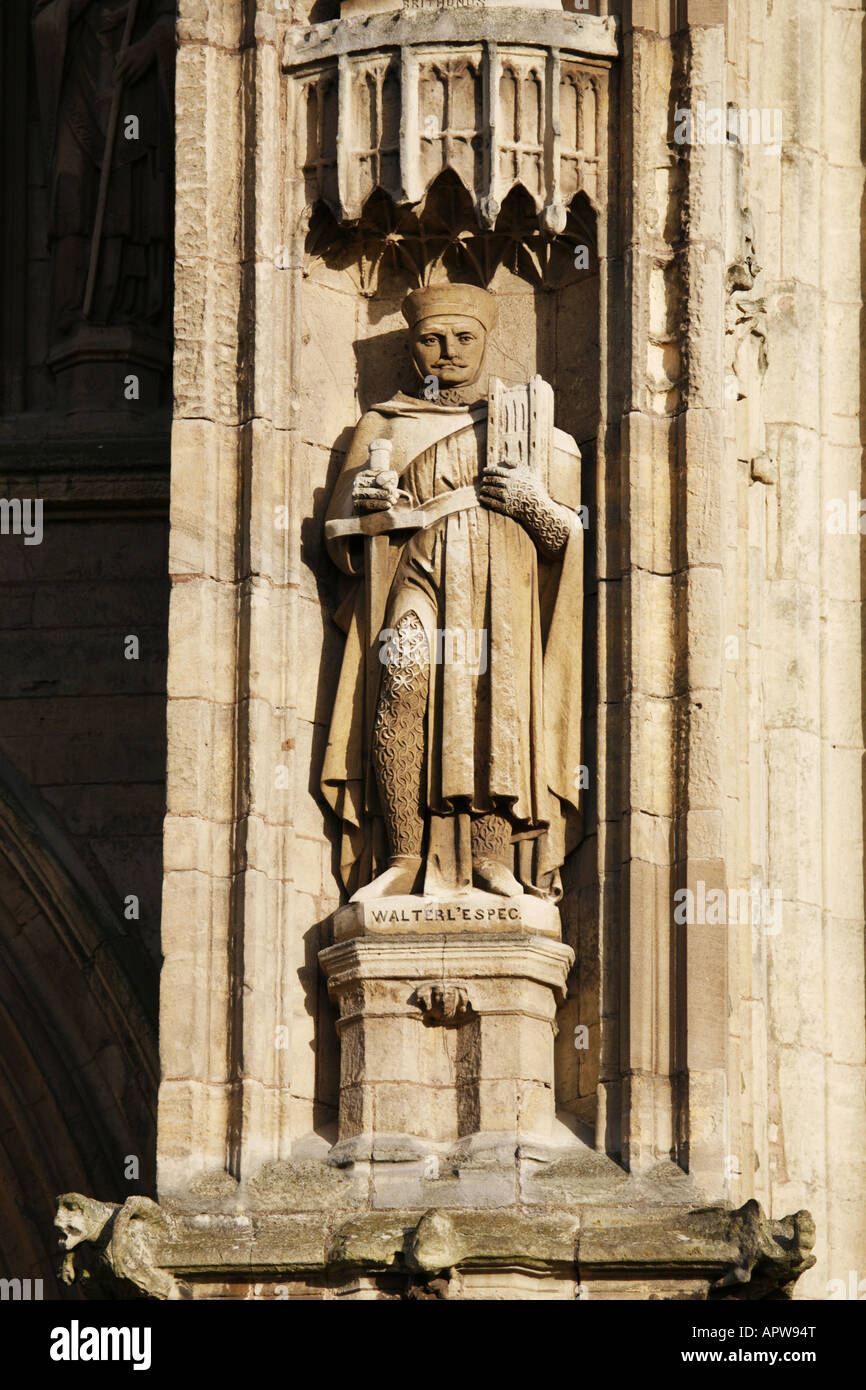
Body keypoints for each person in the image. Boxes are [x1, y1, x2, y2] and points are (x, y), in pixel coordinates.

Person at [322, 283, 583, 902]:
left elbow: (568, 536)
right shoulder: (384, 425)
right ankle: (403, 856)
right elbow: (341, 538)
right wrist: (368, 505)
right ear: (412, 346)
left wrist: (531, 504)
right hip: (416, 568)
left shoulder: (531, 425)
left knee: (493, 705)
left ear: (486, 343)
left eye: (465, 338)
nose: (448, 352)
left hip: (501, 583)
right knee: (401, 684)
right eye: (432, 339)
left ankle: (494, 859)